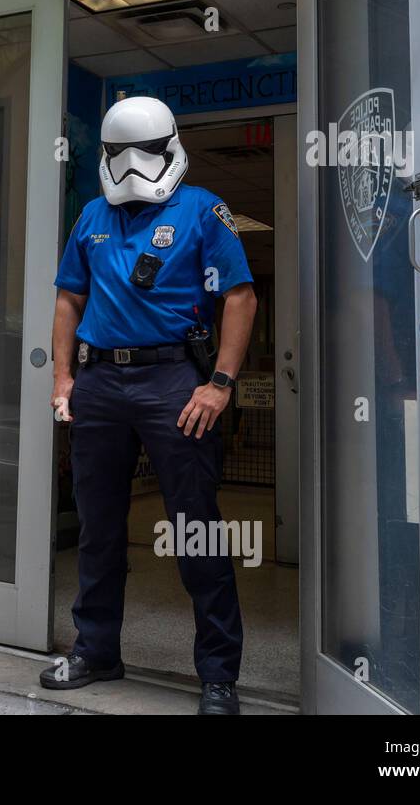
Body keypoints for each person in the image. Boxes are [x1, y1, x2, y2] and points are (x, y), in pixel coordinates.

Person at [40, 96, 257, 715]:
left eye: (146, 151)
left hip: (174, 381)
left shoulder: (203, 209)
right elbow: (67, 303)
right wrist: (62, 379)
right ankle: (97, 651)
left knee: (196, 529)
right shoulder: (90, 217)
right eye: (119, 153)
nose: (133, 165)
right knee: (98, 527)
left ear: (170, 147)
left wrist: (219, 383)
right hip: (100, 383)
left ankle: (218, 676)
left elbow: (239, 297)